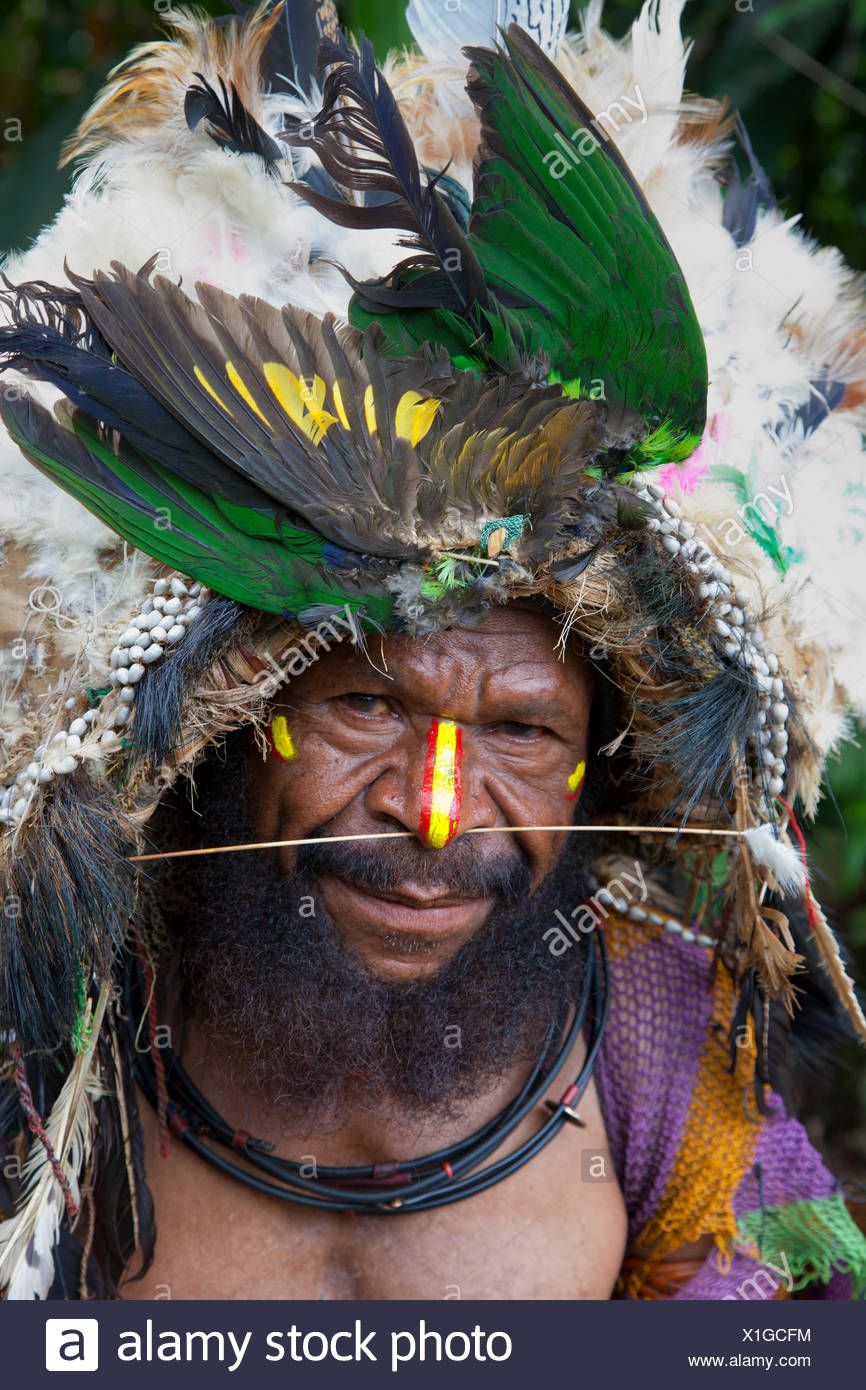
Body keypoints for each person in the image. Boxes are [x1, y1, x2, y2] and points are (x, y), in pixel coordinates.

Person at [0, 0, 865, 1302]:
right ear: (238, 724)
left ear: (597, 759)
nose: (434, 812)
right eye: (367, 709)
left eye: (520, 731)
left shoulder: (667, 1040)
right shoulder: (56, 1033)